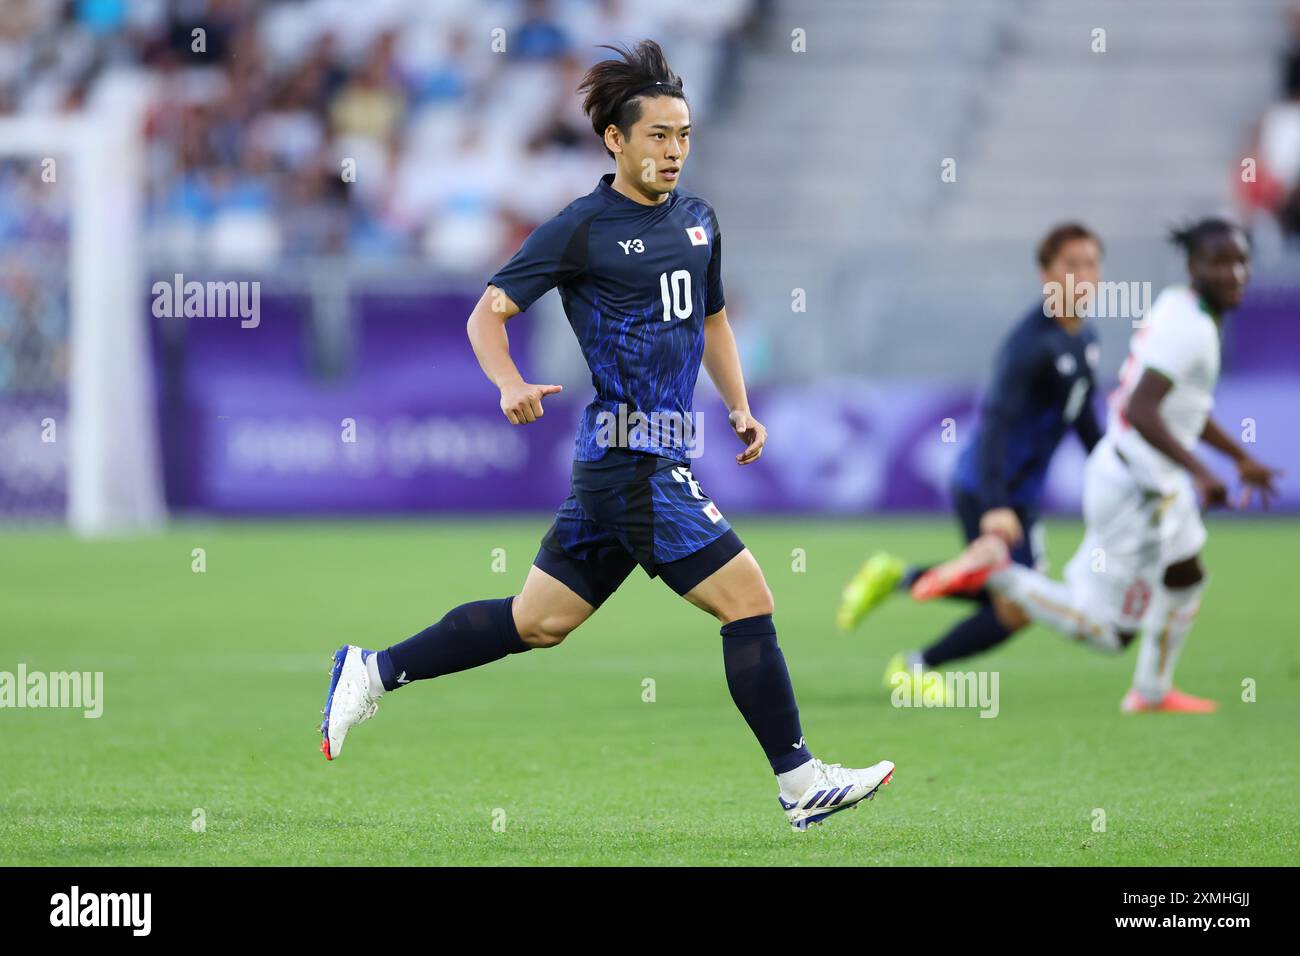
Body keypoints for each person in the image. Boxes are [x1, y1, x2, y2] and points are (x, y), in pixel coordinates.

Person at [318, 40, 893, 829]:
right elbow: (488, 314)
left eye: (684, 135)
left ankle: (372, 671)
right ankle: (799, 783)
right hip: (632, 461)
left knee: (538, 622)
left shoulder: (698, 220)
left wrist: (738, 404)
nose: (674, 150)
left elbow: (714, 318)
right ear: (615, 140)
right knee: (749, 598)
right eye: (658, 135)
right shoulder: (581, 227)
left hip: (637, 457)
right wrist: (509, 382)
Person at [913, 218, 1281, 713]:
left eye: (1241, 261)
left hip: (1138, 471)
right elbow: (1139, 409)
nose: (1235, 273)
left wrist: (1238, 458)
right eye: (1220, 262)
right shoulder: (1187, 328)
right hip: (1138, 483)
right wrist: (1204, 471)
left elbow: (1178, 405)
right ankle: (1000, 574)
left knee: (1187, 572)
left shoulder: (1175, 306)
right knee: (1109, 633)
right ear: (1195, 267)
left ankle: (1151, 690)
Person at [837, 224, 1104, 698]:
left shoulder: (1084, 339)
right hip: (989, 484)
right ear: (1046, 275)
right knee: (1020, 604)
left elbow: (1081, 414)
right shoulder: (1031, 345)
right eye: (1070, 265)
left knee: (1016, 594)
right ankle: (913, 666)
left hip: (1018, 490)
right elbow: (997, 421)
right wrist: (998, 503)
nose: (1082, 275)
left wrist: (1111, 473)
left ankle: (899, 579)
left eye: (1091, 264)